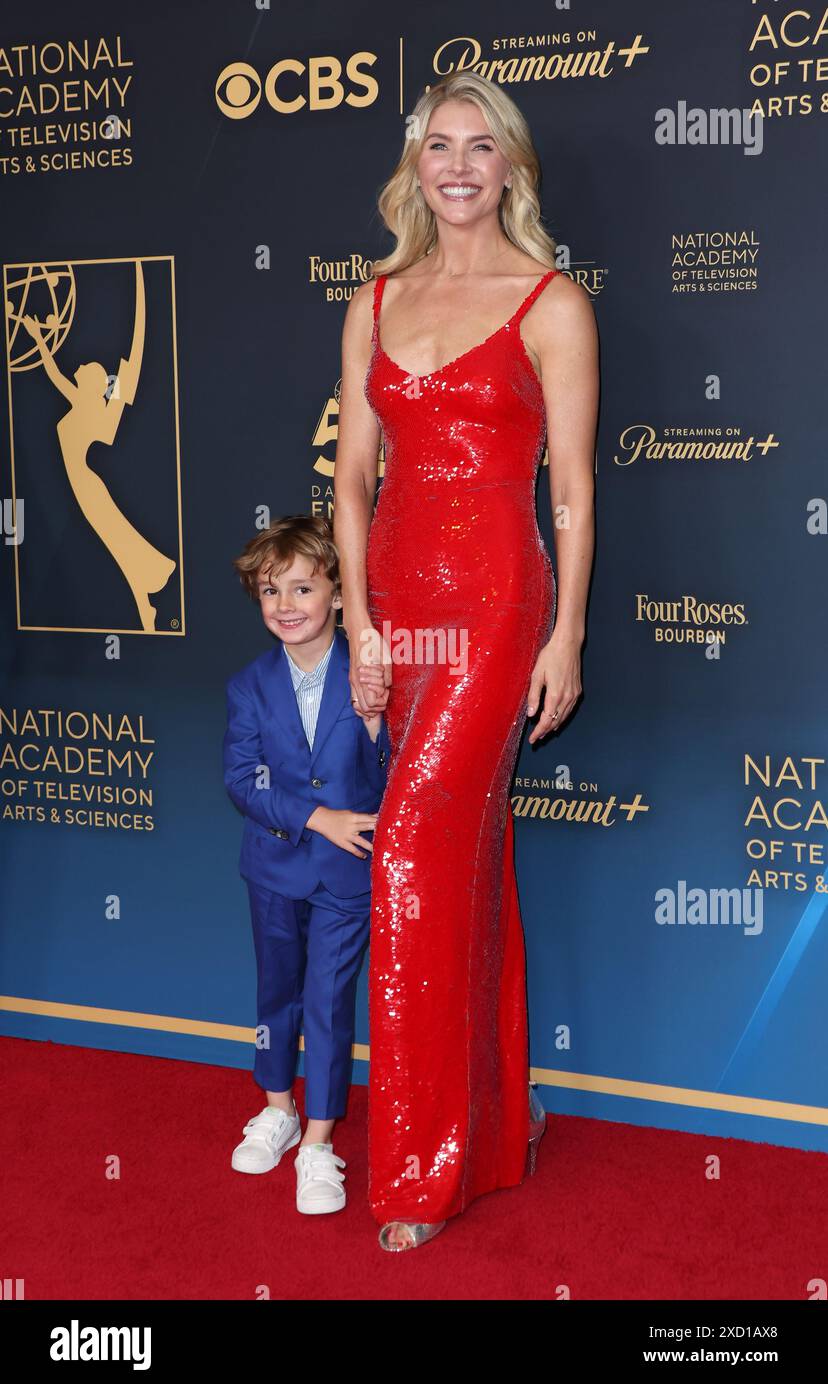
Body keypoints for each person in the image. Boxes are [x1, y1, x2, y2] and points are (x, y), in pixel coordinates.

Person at [333, 71, 598, 1250]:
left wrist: (568, 635)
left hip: (496, 609)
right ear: (415, 165)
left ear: (511, 169)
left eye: (480, 147)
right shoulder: (374, 297)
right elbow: (349, 481)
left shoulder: (551, 302)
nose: (456, 165)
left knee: (412, 851)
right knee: (467, 861)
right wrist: (357, 627)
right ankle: (497, 1120)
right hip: (399, 605)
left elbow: (575, 493)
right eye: (438, 145)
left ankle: (422, 1167)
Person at [222, 515, 391, 1215]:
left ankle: (319, 1142)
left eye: (301, 588)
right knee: (276, 995)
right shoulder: (249, 685)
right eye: (270, 592)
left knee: (326, 1003)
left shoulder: (373, 668)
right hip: (273, 867)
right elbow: (241, 779)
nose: (286, 606)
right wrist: (313, 816)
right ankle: (277, 1108)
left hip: (348, 875)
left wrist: (379, 725)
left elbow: (400, 777)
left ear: (340, 594)